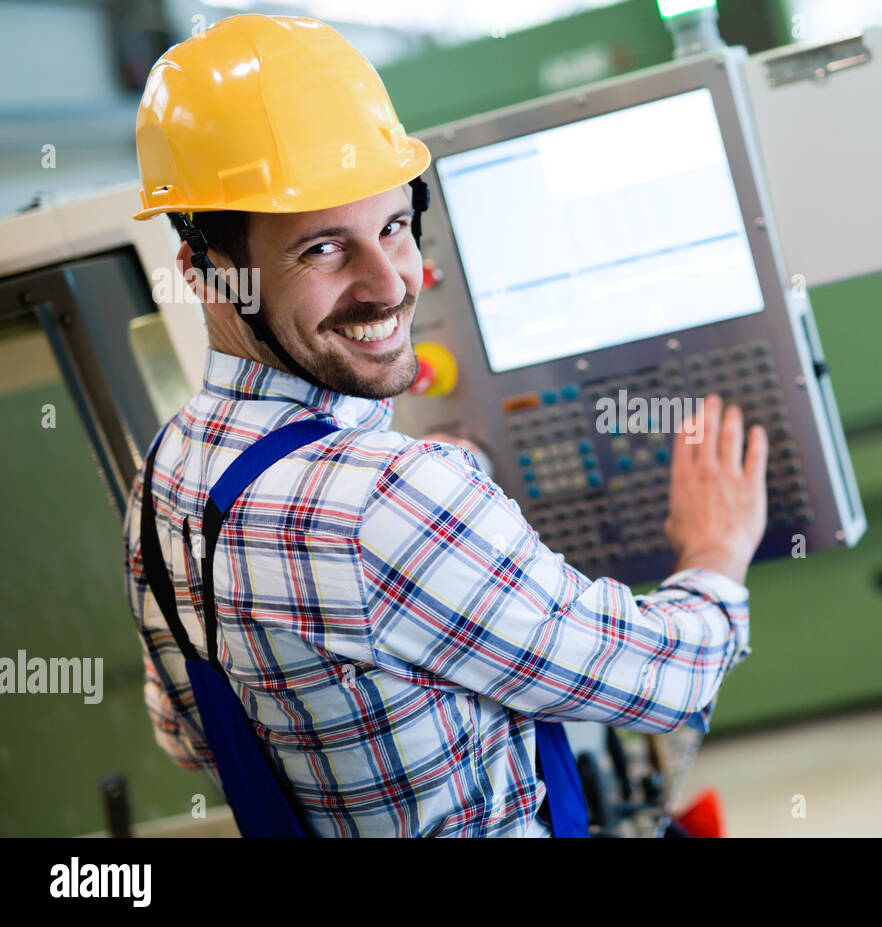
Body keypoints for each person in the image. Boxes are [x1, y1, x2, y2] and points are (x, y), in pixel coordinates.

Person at [124, 13, 767, 837]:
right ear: (205, 267)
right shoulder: (396, 499)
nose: (389, 284)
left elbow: (187, 735)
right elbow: (667, 681)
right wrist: (715, 550)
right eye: (322, 248)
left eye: (393, 226)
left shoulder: (164, 476)